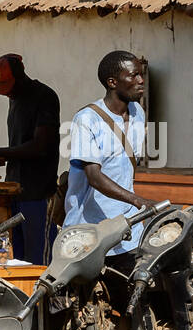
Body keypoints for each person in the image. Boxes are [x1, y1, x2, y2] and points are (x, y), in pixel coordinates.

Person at [62, 50, 153, 258]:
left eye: (141, 74)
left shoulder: (138, 112)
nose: (141, 81)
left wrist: (134, 206)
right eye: (133, 76)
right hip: (88, 232)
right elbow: (94, 177)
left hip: (127, 229)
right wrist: (138, 201)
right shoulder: (86, 119)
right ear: (112, 82)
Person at [0, 54, 60, 264]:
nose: (6, 93)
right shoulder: (14, 100)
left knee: (39, 262)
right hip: (13, 191)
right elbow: (20, 146)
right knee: (9, 259)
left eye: (8, 86)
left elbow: (40, 146)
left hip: (38, 193)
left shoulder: (44, 97)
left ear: (20, 77)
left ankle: (43, 299)